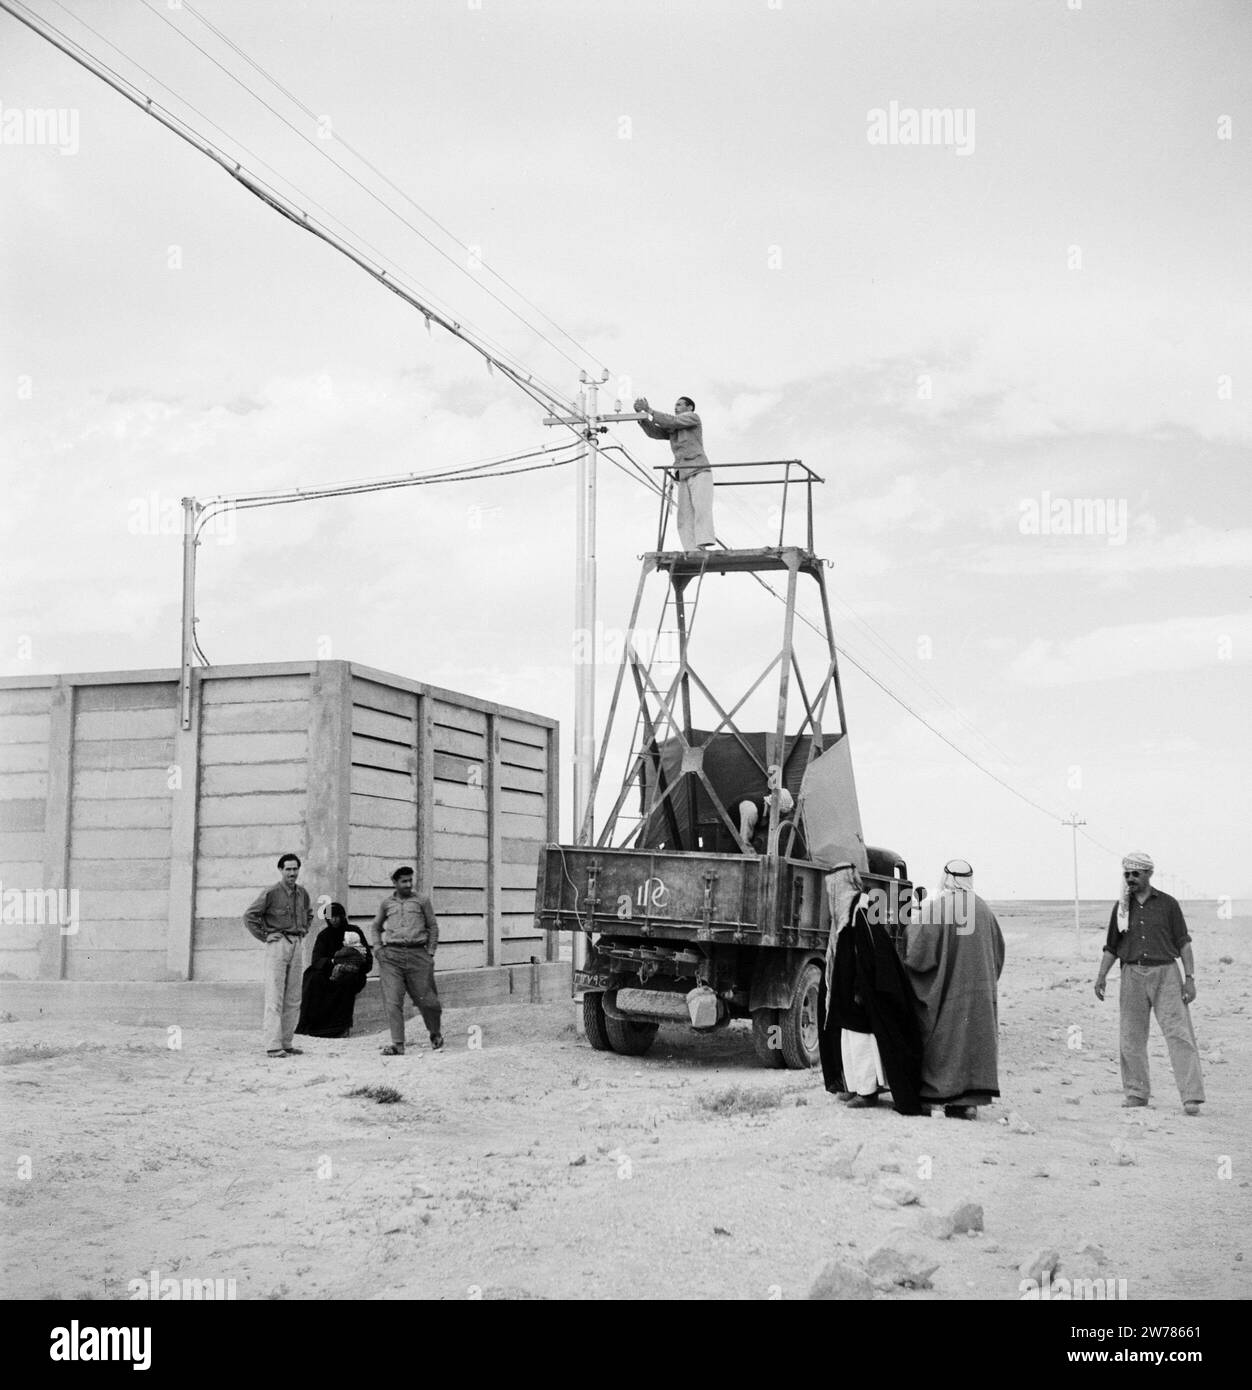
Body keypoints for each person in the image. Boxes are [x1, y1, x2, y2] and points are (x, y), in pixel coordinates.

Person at [1093, 852, 1205, 1116]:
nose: (1130, 879)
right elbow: (1112, 946)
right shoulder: (1121, 907)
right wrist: (1101, 977)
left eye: (1136, 873)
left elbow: (1184, 943)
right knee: (1131, 1036)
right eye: (1127, 874)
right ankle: (1136, 1092)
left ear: (1148, 874)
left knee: (1179, 1034)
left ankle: (1191, 1097)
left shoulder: (1168, 904)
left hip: (1166, 974)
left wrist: (1190, 979)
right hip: (1132, 975)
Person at [817, 862, 925, 1113]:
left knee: (861, 1042)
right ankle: (855, 1087)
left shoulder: (861, 911)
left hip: (860, 993)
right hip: (848, 992)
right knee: (849, 1041)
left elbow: (870, 954)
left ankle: (867, 1093)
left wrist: (858, 990)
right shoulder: (846, 912)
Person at [904, 858, 1005, 1118]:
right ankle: (969, 1103)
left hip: (948, 994)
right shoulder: (984, 910)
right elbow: (999, 955)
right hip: (980, 995)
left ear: (946, 878)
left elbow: (917, 955)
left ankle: (940, 1098)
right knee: (975, 1042)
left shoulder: (938, 909)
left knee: (945, 1041)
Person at [243, 852, 313, 1059]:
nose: (292, 873)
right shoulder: (272, 892)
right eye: (288, 869)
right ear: (281, 870)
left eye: (295, 869)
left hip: (296, 942)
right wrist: (265, 935)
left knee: (293, 996)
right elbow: (250, 916)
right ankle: (273, 1046)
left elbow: (309, 914)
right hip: (278, 943)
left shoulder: (302, 893)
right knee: (275, 995)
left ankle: (287, 1043)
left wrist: (304, 929)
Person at [367, 865, 443, 1056]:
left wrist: (430, 953)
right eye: (404, 881)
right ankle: (398, 1044)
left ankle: (435, 1032)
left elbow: (433, 927)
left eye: (410, 880)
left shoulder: (422, 901)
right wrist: (378, 949)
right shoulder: (387, 904)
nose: (409, 884)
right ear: (395, 882)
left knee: (428, 1001)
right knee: (393, 1000)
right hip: (391, 957)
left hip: (418, 955)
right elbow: (376, 927)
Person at [634, 394, 715, 551]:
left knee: (701, 507)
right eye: (675, 405)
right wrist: (642, 417)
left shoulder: (693, 417)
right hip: (683, 473)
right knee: (684, 514)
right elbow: (655, 433)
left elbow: (672, 421)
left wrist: (649, 410)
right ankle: (691, 548)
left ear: (689, 407)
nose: (676, 407)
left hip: (699, 469)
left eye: (679, 404)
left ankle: (703, 540)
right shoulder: (673, 428)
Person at [295, 902, 374, 1039]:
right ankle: (315, 1027)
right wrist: (333, 962)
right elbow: (317, 960)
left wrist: (352, 962)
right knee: (312, 977)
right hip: (330, 970)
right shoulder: (324, 936)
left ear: (343, 917)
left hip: (352, 972)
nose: (334, 920)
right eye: (331, 917)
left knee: (346, 981)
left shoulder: (354, 932)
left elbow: (366, 958)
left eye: (337, 917)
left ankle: (341, 1028)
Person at [737, 782, 795, 856]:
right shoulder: (751, 810)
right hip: (728, 836)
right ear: (773, 807)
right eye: (780, 815)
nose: (780, 820)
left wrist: (759, 840)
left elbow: (763, 828)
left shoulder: (767, 812)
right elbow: (743, 842)